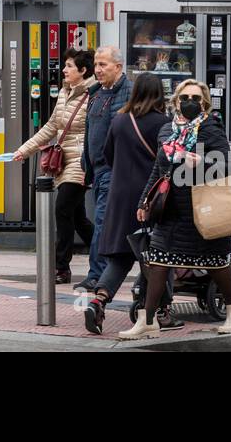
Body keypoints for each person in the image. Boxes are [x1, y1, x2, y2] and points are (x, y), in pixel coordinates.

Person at [132, 80, 231, 337]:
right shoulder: (165, 130)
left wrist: (202, 163)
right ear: (176, 101)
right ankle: (148, 320)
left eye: (196, 98)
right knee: (158, 261)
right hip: (170, 210)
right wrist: (144, 201)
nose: (190, 102)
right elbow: (158, 169)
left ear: (204, 102)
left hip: (202, 209)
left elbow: (226, 166)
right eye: (185, 97)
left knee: (217, 264)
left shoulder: (210, 129)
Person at [84, 71, 174, 338]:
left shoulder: (121, 119)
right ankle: (162, 311)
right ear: (159, 94)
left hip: (119, 196)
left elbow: (107, 155)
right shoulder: (163, 123)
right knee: (158, 256)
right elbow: (167, 161)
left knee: (120, 257)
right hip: (151, 199)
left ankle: (98, 300)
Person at [9, 49, 97, 284]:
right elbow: (51, 127)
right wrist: (23, 150)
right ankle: (105, 255)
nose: (64, 70)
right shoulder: (64, 94)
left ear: (83, 71)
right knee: (78, 218)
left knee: (62, 209)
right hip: (63, 160)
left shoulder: (94, 95)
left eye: (69, 66)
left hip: (80, 161)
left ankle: (61, 267)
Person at [75, 45, 129, 292]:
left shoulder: (128, 92)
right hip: (97, 170)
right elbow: (90, 132)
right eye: (96, 65)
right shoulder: (96, 93)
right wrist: (86, 165)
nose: (97, 70)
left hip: (115, 170)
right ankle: (103, 271)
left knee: (101, 222)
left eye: (103, 65)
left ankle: (97, 274)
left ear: (118, 67)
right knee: (105, 223)